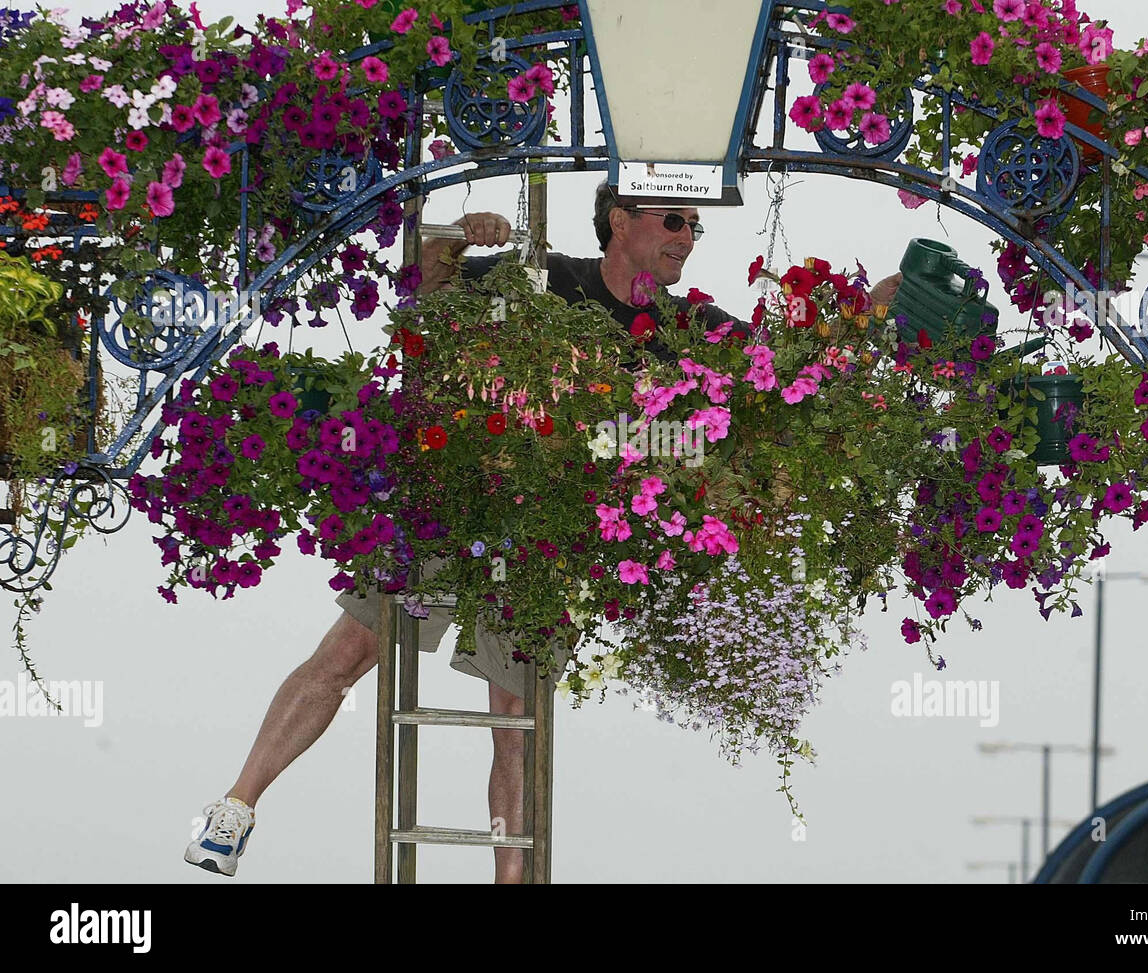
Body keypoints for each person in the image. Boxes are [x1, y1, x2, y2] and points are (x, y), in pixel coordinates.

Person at [185, 180, 901, 883]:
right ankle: (234, 807)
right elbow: (425, 286)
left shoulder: (694, 327)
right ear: (620, 221)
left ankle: (512, 876)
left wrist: (876, 308)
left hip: (549, 539)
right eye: (674, 220)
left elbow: (785, 366)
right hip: (457, 500)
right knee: (344, 653)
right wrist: (463, 234)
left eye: (693, 226)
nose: (687, 237)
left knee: (515, 717)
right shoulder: (542, 275)